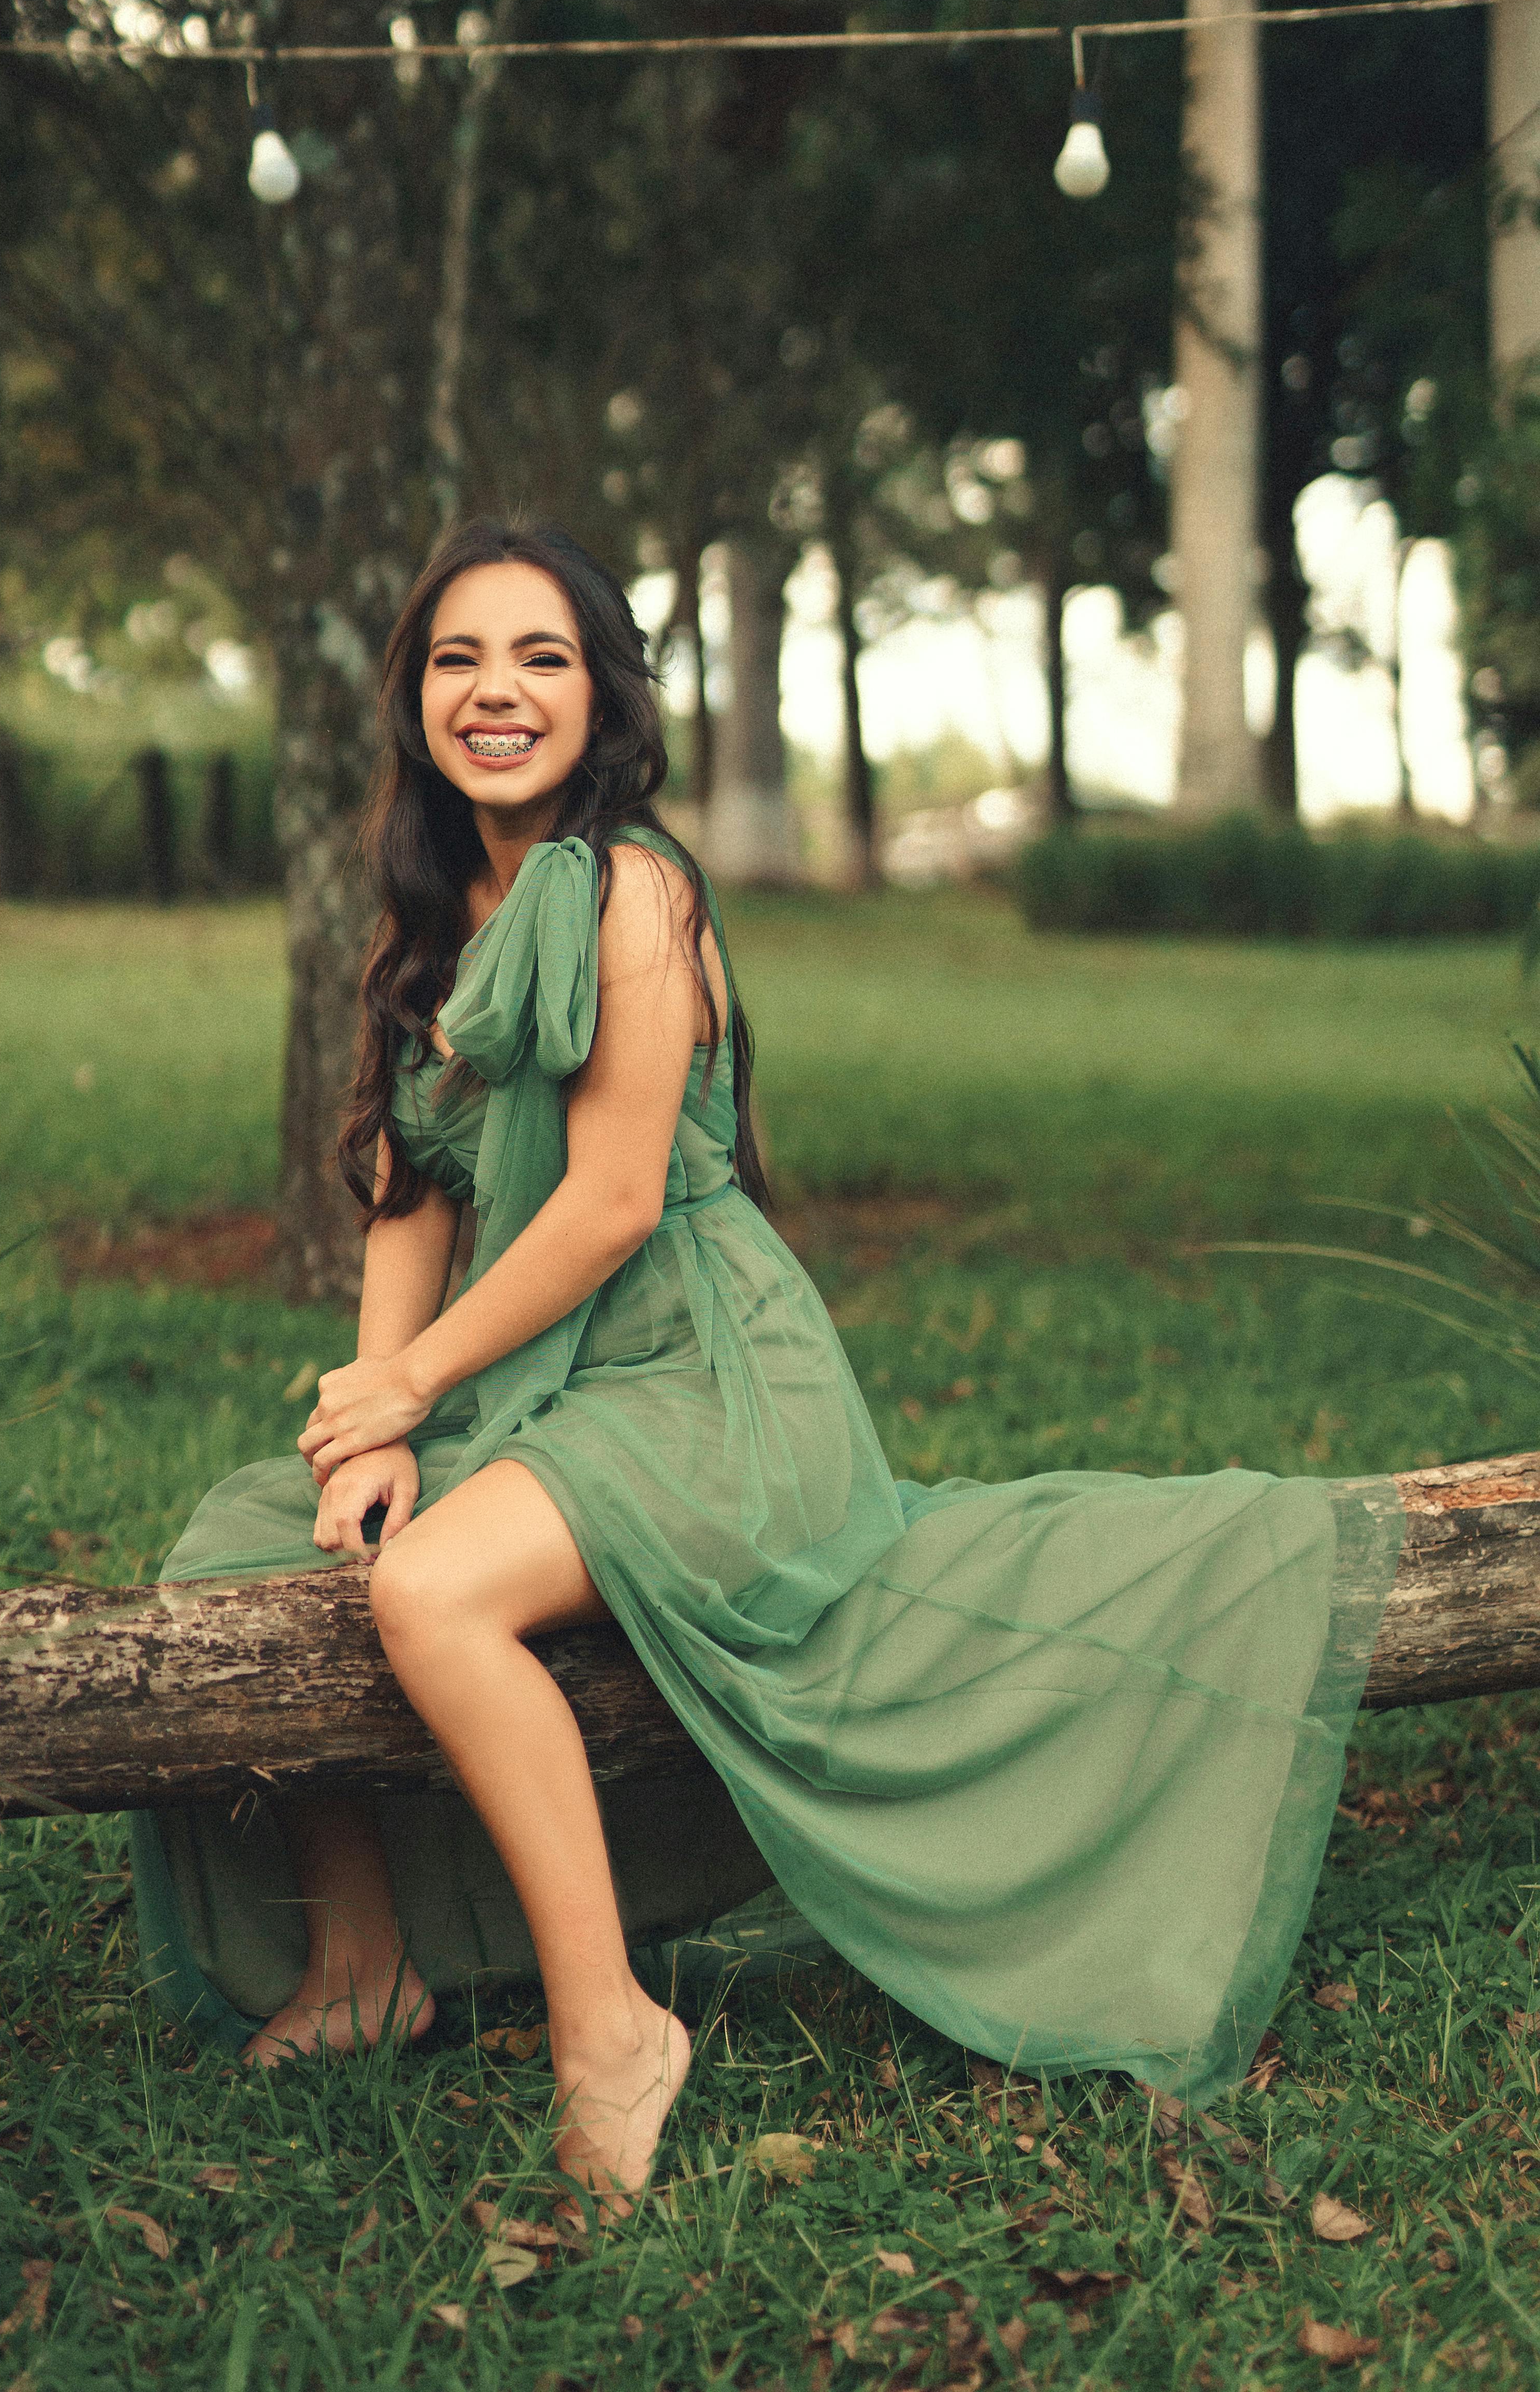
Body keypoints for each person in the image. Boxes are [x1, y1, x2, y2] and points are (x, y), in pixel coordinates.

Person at [128, 520, 1403, 2213]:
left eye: (541, 658)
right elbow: (406, 1199)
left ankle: (613, 2037)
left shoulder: (636, 890)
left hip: (705, 1382)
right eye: (458, 660)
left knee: (431, 1596)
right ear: (413, 701)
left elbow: (602, 1210)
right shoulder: (428, 918)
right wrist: (366, 1424)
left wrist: (410, 1392)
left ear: (605, 696)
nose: (496, 691)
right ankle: (365, 1967)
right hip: (541, 1381)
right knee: (247, 1553)